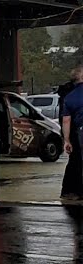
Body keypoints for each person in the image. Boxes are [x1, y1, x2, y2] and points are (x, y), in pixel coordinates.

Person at [60, 67, 83, 202]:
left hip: (79, 131)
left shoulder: (69, 97)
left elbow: (66, 120)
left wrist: (66, 140)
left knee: (77, 162)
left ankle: (75, 192)